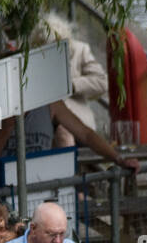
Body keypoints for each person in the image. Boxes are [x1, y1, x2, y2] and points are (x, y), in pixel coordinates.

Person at [0, 98, 138, 193]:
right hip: (0, 192)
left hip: (39, 190)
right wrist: (7, 127)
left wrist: (118, 158)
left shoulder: (50, 104)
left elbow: (86, 134)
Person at [32, 13, 109, 148]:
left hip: (76, 118)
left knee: (64, 130)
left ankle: (72, 167)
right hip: (45, 118)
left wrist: (70, 85)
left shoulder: (79, 50)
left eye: (56, 47)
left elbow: (102, 82)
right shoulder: (33, 55)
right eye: (46, 48)